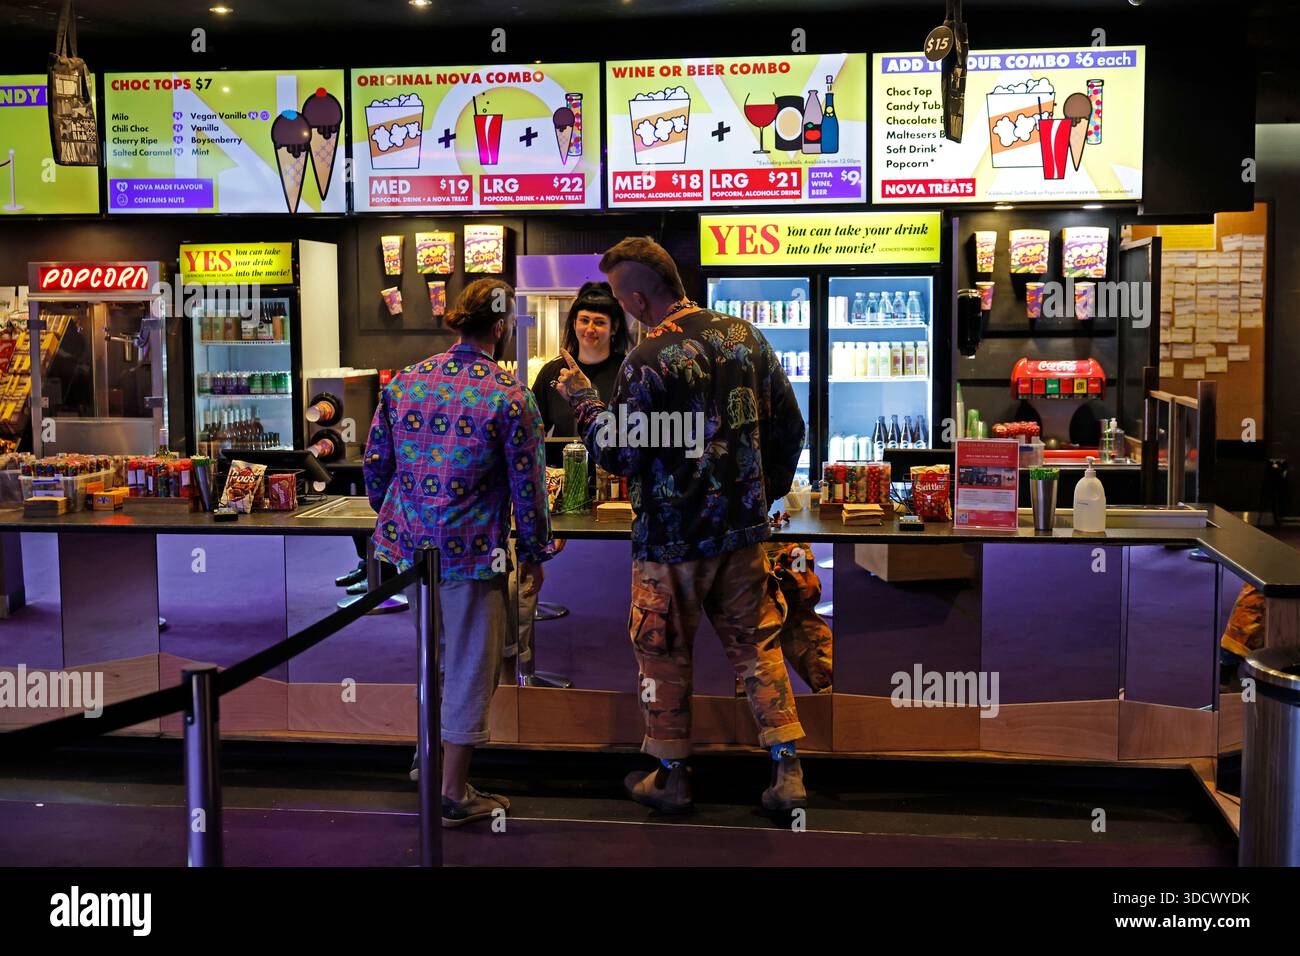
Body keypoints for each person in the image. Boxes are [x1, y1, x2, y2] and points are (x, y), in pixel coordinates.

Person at [555, 236, 808, 814]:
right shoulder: (745, 338)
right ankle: (788, 771)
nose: (622, 312)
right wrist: (757, 494)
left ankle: (672, 777)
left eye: (621, 301)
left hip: (670, 544)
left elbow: (618, 454)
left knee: (662, 655)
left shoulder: (648, 360)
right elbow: (791, 427)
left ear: (639, 299)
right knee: (758, 648)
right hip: (742, 537)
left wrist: (584, 399)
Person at [363, 277, 555, 827]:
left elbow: (377, 468)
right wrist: (537, 551)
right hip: (475, 555)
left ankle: (428, 759)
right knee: (472, 667)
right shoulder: (509, 394)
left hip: (412, 554)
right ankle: (452, 792)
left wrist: (401, 518)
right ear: (500, 327)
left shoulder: (405, 382)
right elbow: (530, 485)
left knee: (434, 658)